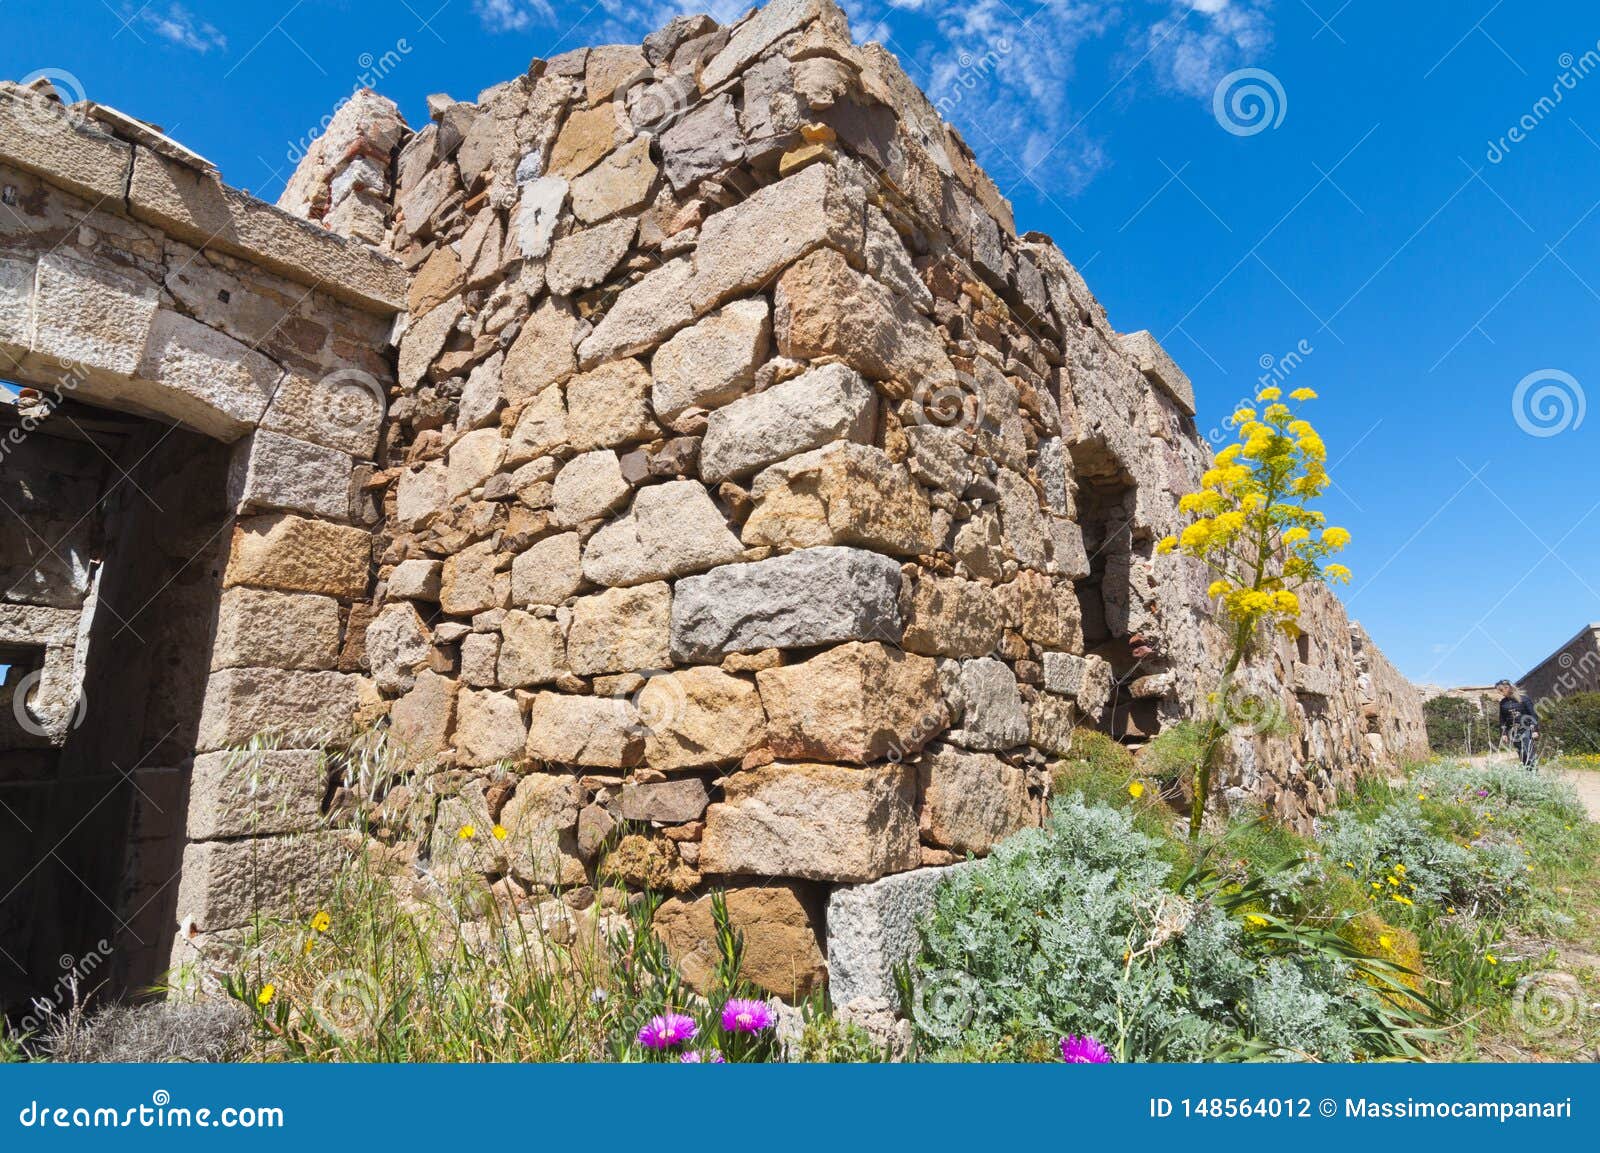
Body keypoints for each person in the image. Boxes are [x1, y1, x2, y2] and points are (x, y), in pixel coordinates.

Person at [1496, 679, 1538, 767]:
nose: (1500, 692)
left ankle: (1534, 773)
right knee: (1521, 752)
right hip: (1513, 731)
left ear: (1507, 688)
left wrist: (1535, 730)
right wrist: (1503, 734)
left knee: (1528, 752)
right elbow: (1502, 720)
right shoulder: (1503, 703)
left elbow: (1533, 715)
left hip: (1526, 729)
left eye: (1501, 690)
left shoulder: (1524, 699)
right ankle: (1526, 774)